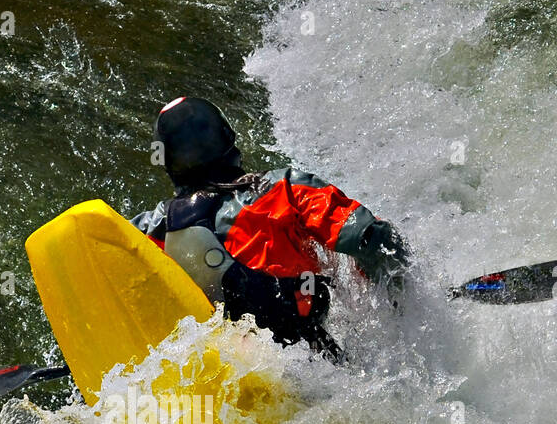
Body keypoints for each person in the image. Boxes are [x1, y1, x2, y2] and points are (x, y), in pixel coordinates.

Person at [130, 96, 408, 361]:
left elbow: (103, 256)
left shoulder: (157, 225)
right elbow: (369, 237)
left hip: (222, 359)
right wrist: (401, 305)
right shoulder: (284, 187)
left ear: (165, 161)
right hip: (306, 355)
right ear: (227, 137)